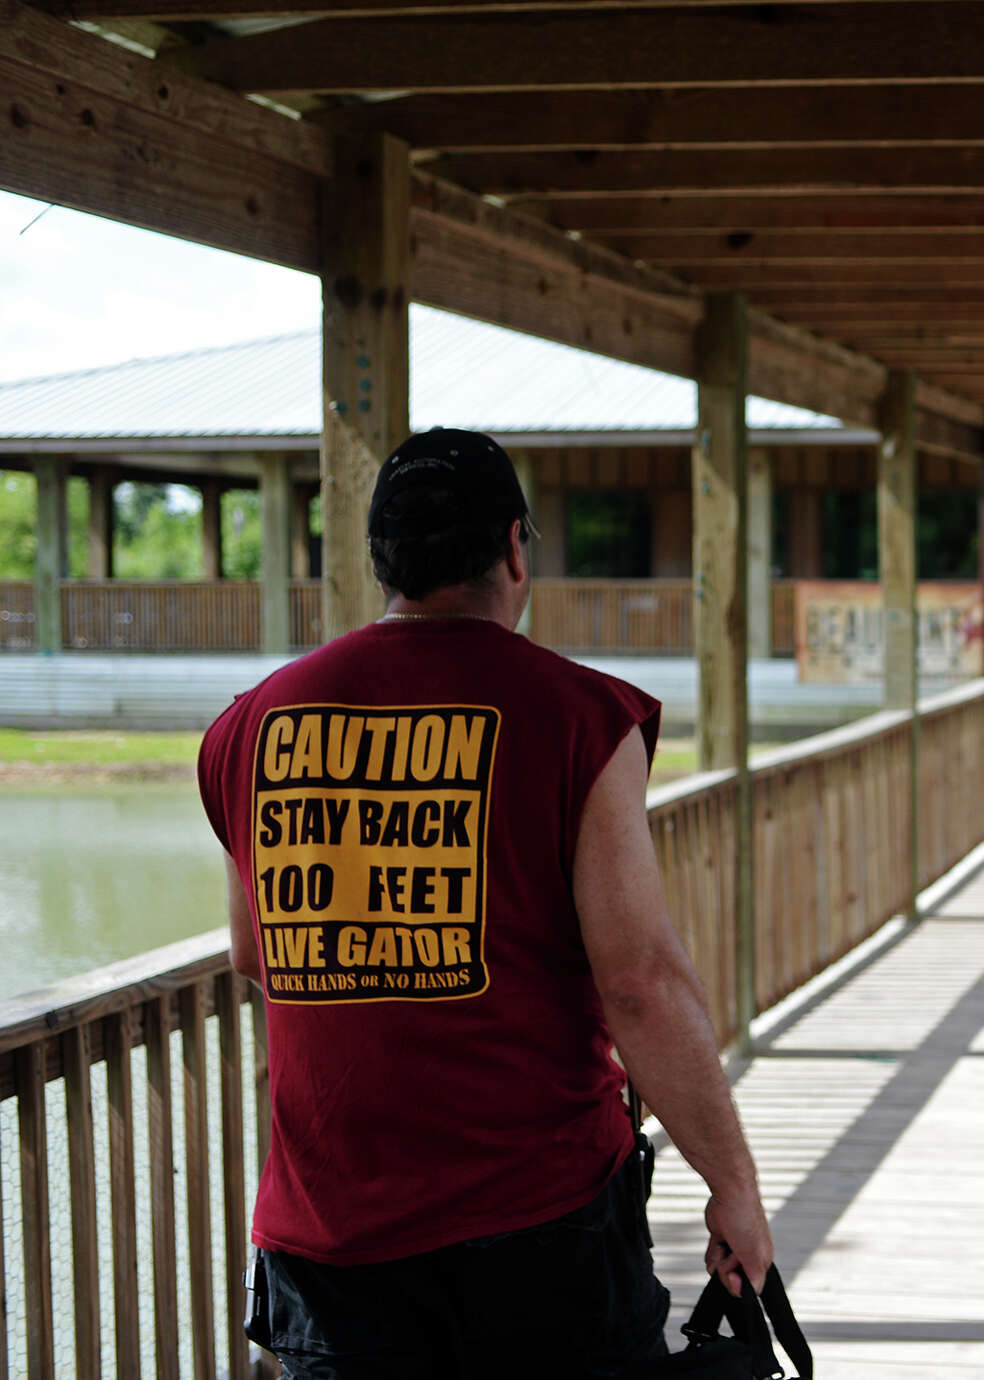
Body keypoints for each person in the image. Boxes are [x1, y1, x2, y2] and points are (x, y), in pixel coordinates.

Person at [196, 428, 771, 1378]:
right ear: (515, 548)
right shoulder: (579, 716)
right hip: (538, 1232)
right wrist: (734, 1187)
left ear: (380, 560)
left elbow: (258, 956)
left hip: (329, 1236)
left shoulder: (251, 727)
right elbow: (638, 982)